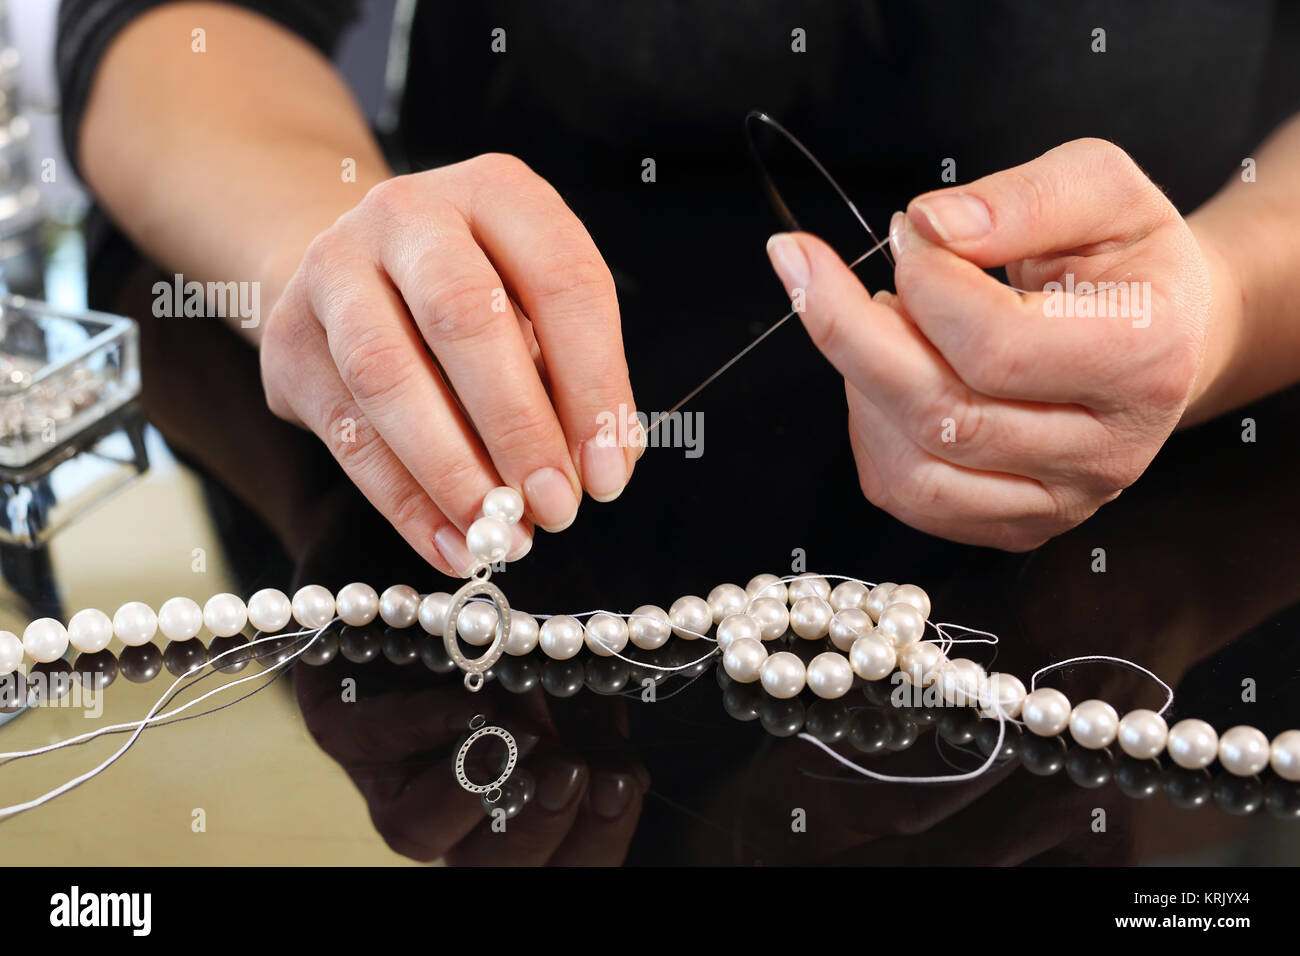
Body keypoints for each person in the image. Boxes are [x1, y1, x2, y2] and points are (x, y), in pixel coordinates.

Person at [58, 0, 1300, 573]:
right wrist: (320, 246)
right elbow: (172, 21)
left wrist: (1229, 300)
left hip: (1200, 527)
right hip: (445, 510)